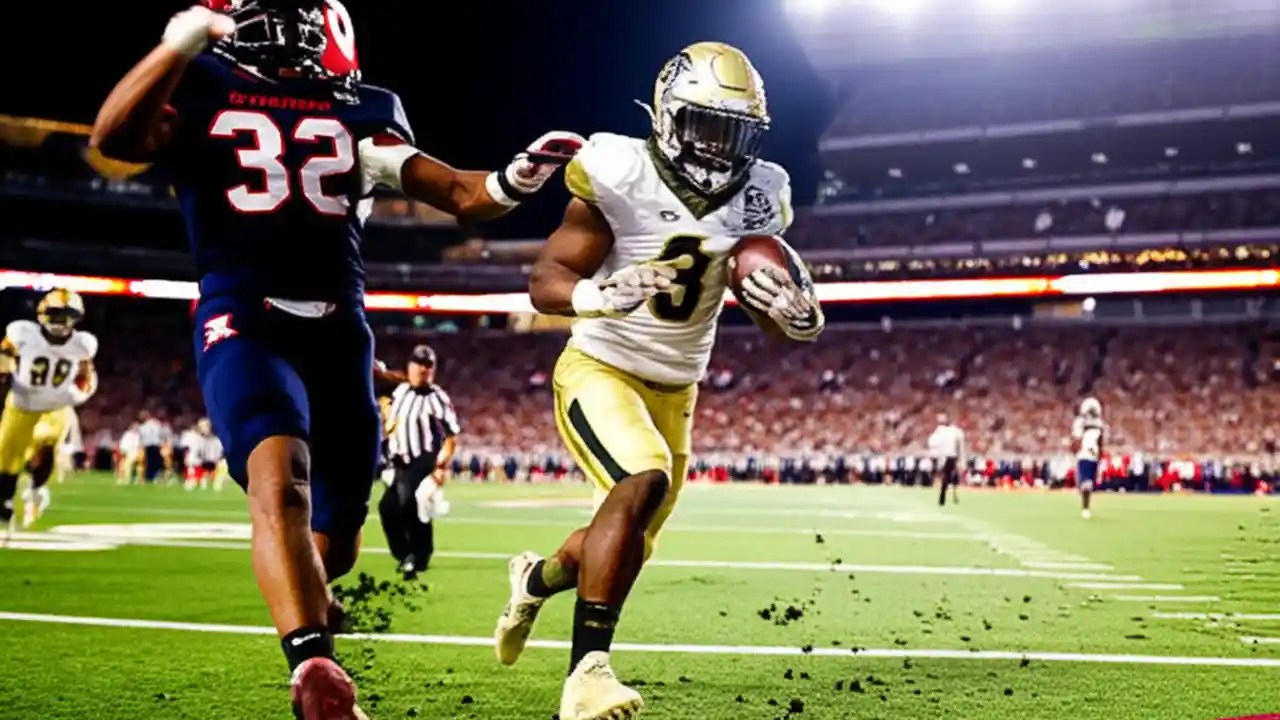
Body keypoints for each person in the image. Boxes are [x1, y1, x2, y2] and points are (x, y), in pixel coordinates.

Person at [89, 3, 580, 717]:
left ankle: (310, 612)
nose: (295, 39)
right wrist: (173, 49)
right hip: (245, 312)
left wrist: (515, 178)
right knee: (278, 480)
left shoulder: (363, 110)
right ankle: (313, 666)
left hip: (340, 330)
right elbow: (115, 136)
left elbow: (459, 193)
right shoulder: (201, 84)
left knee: (338, 540)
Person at [492, 42, 823, 720]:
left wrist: (790, 314)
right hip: (602, 366)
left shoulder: (763, 193)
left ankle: (534, 577)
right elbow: (545, 282)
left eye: (734, 133)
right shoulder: (619, 167)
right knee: (641, 480)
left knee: (628, 536)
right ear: (670, 117)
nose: (718, 147)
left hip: (678, 389)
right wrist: (597, 295)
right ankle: (588, 676)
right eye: (705, 126)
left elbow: (766, 325)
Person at [0, 289, 99, 534]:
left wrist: (82, 392)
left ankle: (36, 489)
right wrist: (5, 371)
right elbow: (4, 355)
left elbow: (87, 374)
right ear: (42, 314)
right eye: (57, 315)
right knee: (7, 457)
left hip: (55, 406)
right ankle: (5, 500)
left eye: (68, 317)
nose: (63, 323)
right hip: (21, 404)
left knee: (46, 449)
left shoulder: (83, 344)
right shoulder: (23, 332)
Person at [377, 345, 460, 579]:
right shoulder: (400, 391)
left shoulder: (438, 397)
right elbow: (384, 382)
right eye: (418, 363)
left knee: (409, 502)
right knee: (387, 508)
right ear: (410, 366)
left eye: (428, 365)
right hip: (398, 461)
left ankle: (419, 555)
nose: (423, 369)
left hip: (422, 459)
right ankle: (404, 554)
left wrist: (441, 465)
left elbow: (452, 435)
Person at [1072, 397, 1106, 519]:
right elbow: (1076, 439)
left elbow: (1101, 442)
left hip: (1093, 456)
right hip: (1085, 455)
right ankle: (1085, 508)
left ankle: (1086, 505)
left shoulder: (1099, 424)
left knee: (1090, 484)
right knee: (1087, 484)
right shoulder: (1080, 422)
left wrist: (1101, 456)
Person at [927, 413, 965, 506]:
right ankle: (945, 495)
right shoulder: (950, 431)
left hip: (948, 456)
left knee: (948, 476)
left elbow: (932, 443)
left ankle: (944, 495)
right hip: (949, 456)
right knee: (948, 477)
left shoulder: (949, 431)